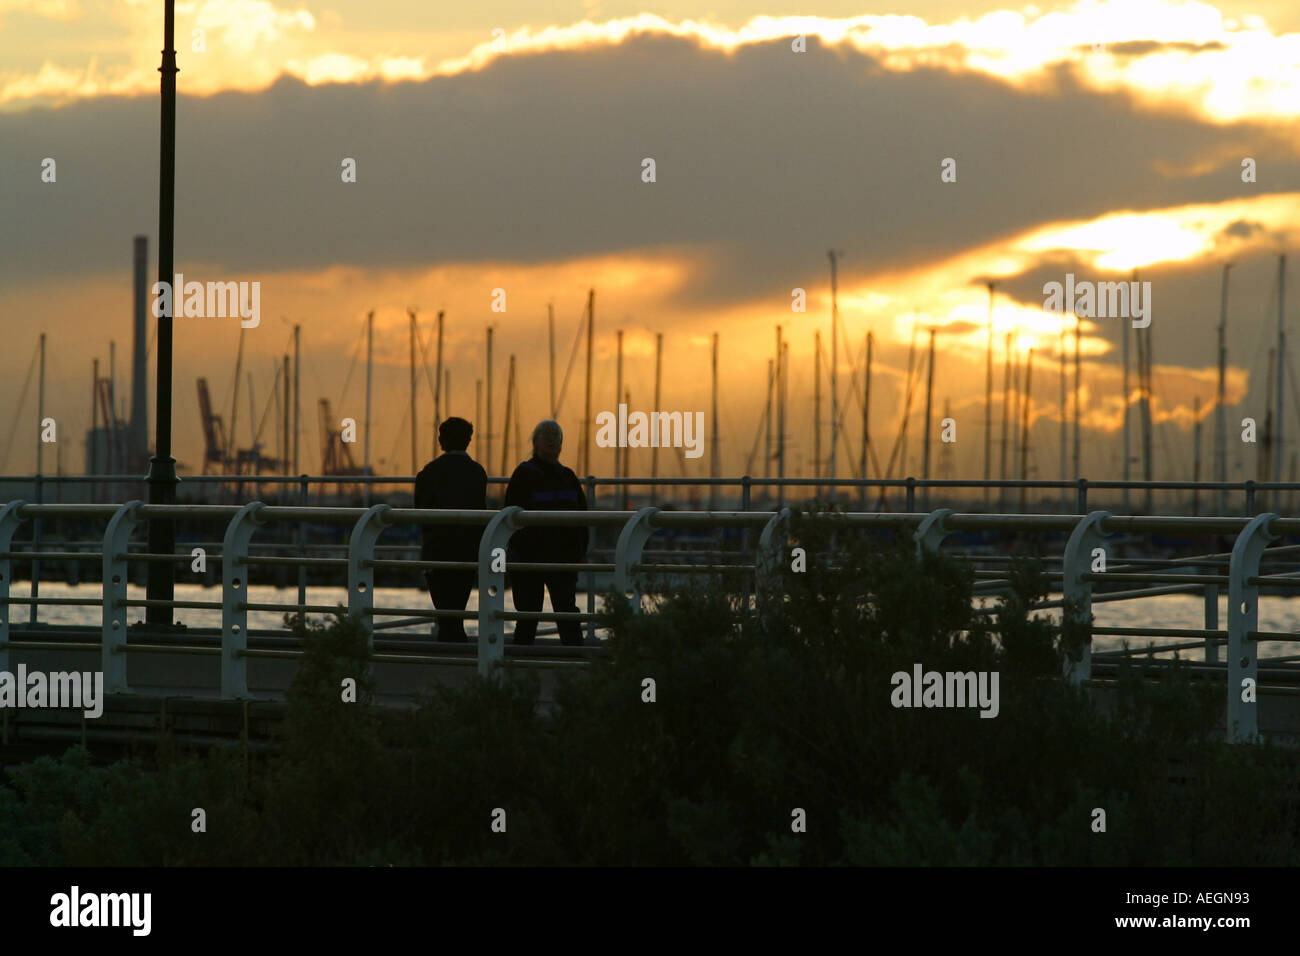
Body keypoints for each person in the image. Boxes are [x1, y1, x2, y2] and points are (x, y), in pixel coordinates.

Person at [505, 420, 588, 646]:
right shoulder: (523, 474)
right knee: (528, 612)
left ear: (561, 444)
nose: (551, 440)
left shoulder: (569, 477)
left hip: (563, 557)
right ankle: (520, 662)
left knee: (567, 610)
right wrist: (520, 551)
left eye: (556, 436)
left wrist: (580, 551)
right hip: (529, 557)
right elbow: (510, 516)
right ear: (535, 442)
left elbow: (583, 517)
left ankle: (575, 658)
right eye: (546, 435)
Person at [414, 417, 487, 641]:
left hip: (436, 549)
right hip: (468, 550)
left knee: (444, 609)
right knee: (457, 606)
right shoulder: (477, 473)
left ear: (441, 440)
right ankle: (457, 647)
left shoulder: (428, 473)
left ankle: (448, 649)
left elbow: (420, 513)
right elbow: (480, 511)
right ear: (468, 440)